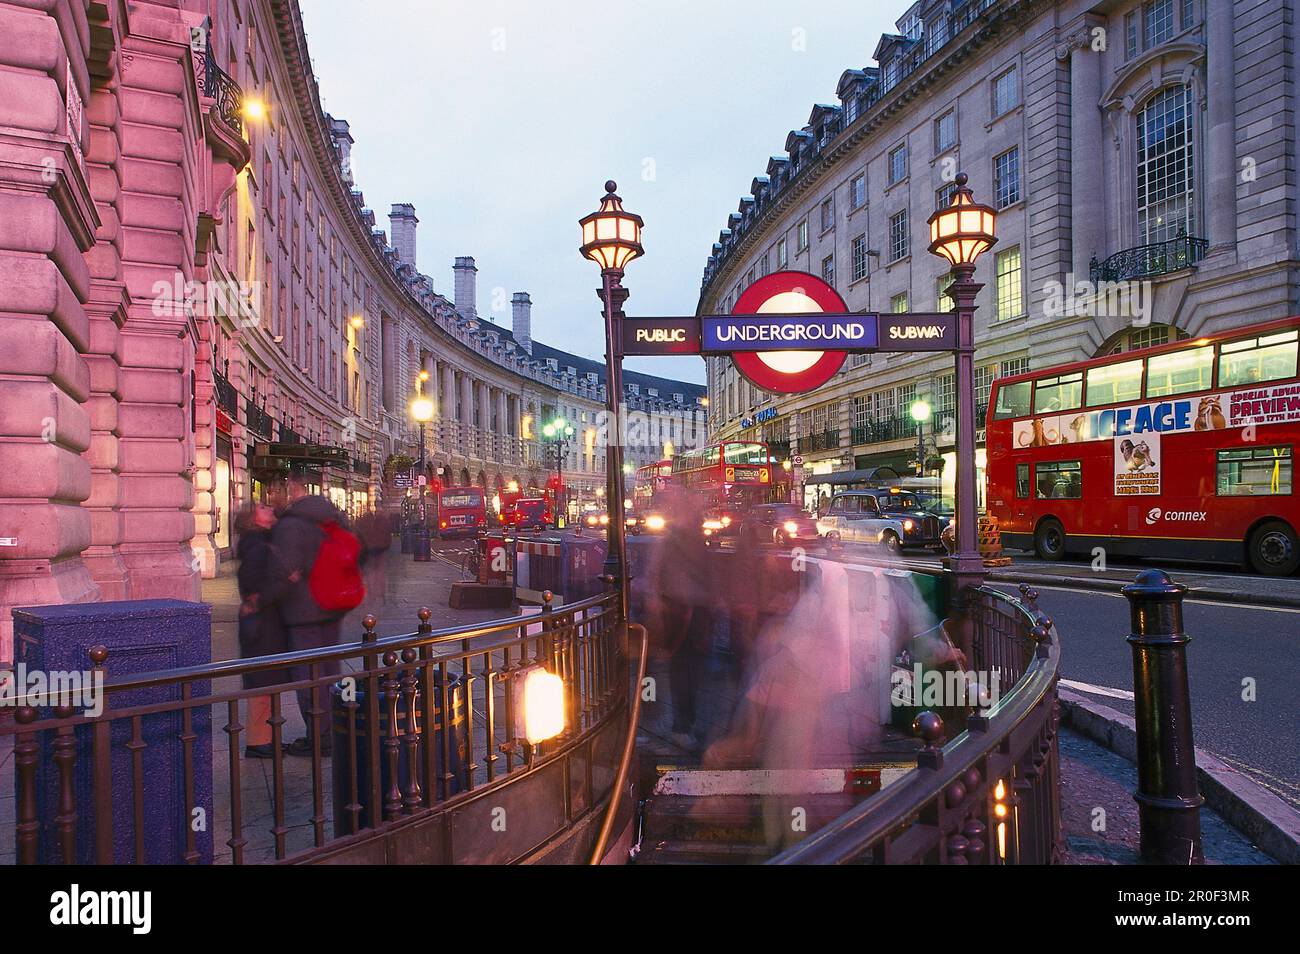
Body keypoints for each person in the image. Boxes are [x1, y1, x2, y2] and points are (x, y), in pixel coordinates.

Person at [270, 474, 358, 756]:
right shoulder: (333, 516)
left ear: (291, 490)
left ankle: (320, 737)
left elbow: (287, 569)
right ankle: (340, 726)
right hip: (334, 605)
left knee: (308, 676)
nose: (272, 497)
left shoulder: (290, 524)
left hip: (304, 610)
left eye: (276, 491)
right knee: (332, 670)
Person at [234, 502, 290, 759]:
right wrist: (287, 583)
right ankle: (258, 743)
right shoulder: (256, 545)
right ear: (254, 519)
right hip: (261, 625)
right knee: (262, 683)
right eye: (264, 508)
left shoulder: (261, 541)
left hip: (266, 623)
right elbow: (254, 590)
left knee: (267, 682)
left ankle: (266, 738)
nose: (270, 509)